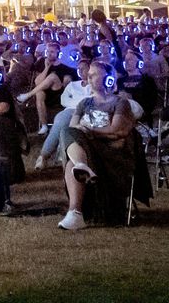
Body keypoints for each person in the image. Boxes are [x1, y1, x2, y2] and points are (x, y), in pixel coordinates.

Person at [58, 66, 139, 230]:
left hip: (110, 154)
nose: (88, 77)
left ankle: (75, 213)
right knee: (68, 132)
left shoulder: (120, 102)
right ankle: (81, 168)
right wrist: (101, 134)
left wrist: (91, 131)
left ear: (108, 78)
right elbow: (74, 128)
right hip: (89, 149)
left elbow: (116, 131)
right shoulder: (84, 103)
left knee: (72, 159)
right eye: (88, 74)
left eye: (94, 74)